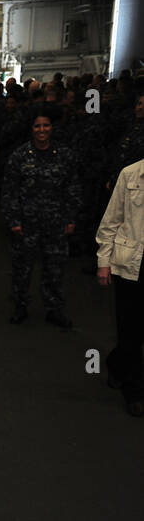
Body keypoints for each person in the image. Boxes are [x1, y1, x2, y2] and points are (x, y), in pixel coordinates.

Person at [2, 110, 80, 328]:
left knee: (54, 269)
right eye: (37, 126)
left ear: (52, 128)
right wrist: (13, 220)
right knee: (22, 269)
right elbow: (9, 191)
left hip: (56, 223)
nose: (42, 130)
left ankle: (54, 309)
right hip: (27, 224)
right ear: (31, 129)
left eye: (46, 125)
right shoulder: (19, 156)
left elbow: (72, 188)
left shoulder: (65, 155)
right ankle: (20, 306)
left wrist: (71, 218)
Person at [95, 157, 144, 416]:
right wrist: (104, 261)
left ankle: (116, 364)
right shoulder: (130, 174)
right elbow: (111, 220)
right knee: (129, 329)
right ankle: (134, 393)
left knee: (136, 334)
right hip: (130, 266)